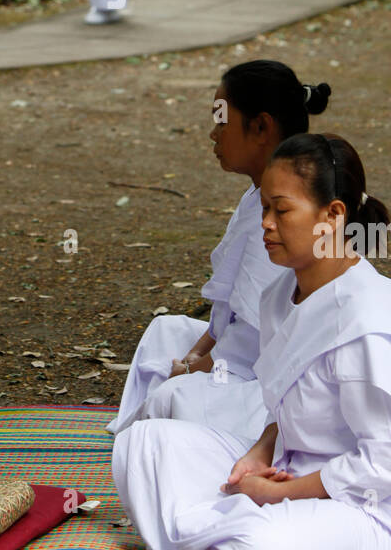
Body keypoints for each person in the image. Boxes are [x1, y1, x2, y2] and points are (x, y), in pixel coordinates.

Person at [112, 134, 391, 550]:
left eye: (281, 211)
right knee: (143, 443)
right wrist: (259, 453)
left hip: (379, 515)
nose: (265, 224)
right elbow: (286, 403)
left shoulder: (371, 322)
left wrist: (280, 495)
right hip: (293, 469)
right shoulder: (280, 296)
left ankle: (243, 530)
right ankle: (242, 525)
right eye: (263, 209)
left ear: (333, 216)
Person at [107, 61, 331, 439]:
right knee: (165, 332)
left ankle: (163, 430)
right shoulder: (256, 197)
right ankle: (151, 421)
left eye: (222, 121)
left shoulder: (288, 213)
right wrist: (197, 352)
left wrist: (192, 370)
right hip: (248, 353)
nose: (213, 134)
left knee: (177, 396)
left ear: (261, 127)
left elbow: (253, 340)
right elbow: (232, 310)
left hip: (276, 375)